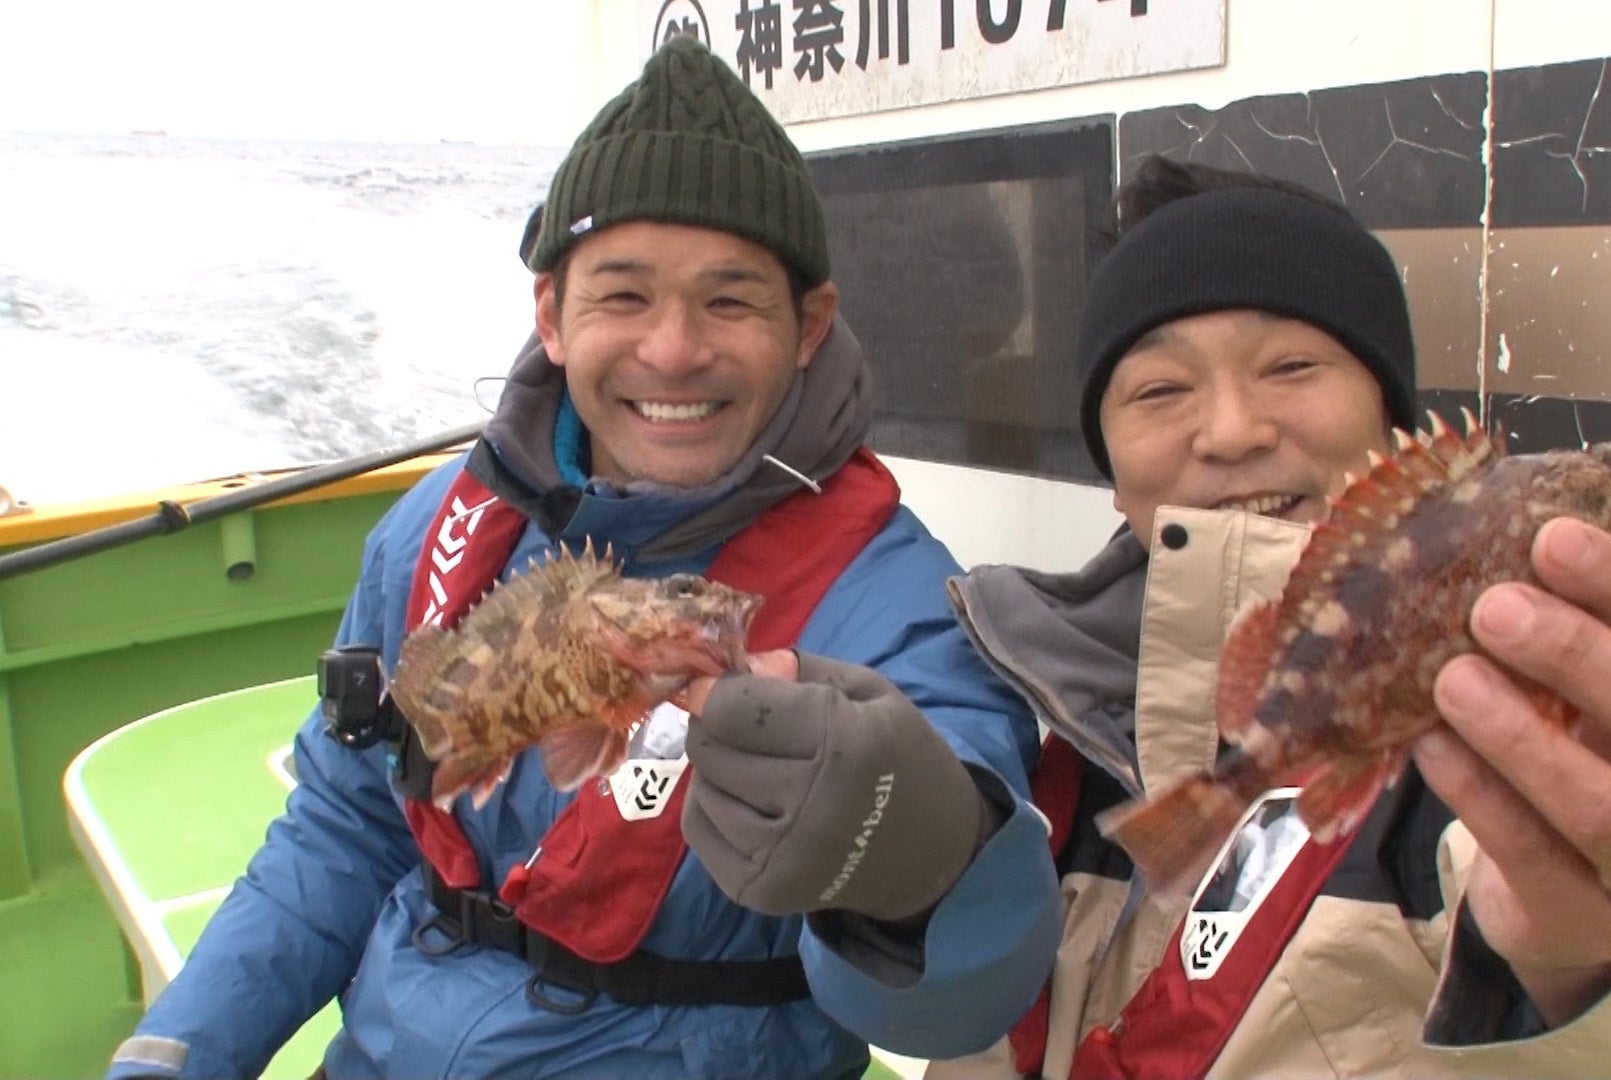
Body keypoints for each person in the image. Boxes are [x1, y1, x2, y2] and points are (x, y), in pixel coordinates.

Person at [108, 37, 1059, 1080]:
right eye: (623, 296)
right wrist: (176, 1050)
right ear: (554, 318)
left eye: (731, 300)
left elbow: (972, 996)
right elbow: (344, 823)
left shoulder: (900, 601)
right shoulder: (436, 529)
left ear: (808, 327)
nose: (672, 351)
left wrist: (921, 856)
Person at [935, 156, 1611, 1078]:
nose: (1230, 431)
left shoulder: (1482, 778)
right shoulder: (1041, 714)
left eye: (1293, 365)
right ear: (1108, 467)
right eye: (1158, 388)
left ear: (1391, 427)